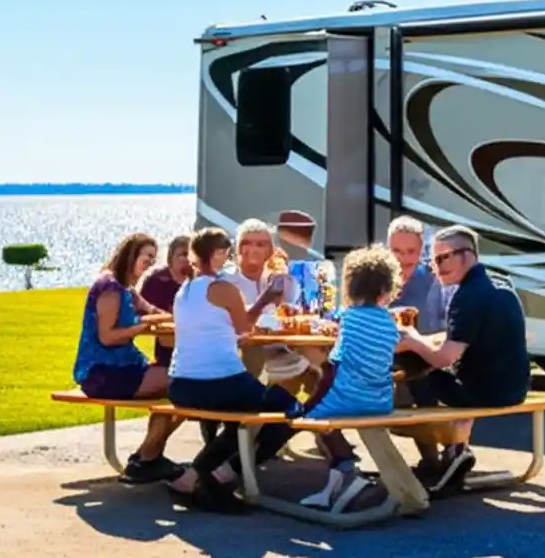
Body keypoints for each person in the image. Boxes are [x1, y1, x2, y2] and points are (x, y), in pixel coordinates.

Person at [165, 227, 300, 513]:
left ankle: (194, 477)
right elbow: (246, 327)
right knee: (291, 409)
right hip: (218, 381)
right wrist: (267, 298)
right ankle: (220, 474)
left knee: (243, 417)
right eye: (226, 253)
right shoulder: (224, 288)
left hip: (180, 384)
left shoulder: (185, 290)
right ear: (216, 254)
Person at [396, 225, 532, 497]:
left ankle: (448, 450)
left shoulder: (467, 297)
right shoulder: (499, 283)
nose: (437, 267)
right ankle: (452, 450)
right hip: (516, 386)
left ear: (468, 255)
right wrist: (429, 341)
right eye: (433, 260)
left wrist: (411, 341)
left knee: (414, 368)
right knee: (424, 359)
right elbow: (469, 336)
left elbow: (446, 358)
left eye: (443, 257)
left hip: (484, 392)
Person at [294, 244, 403, 511]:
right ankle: (333, 486)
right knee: (325, 411)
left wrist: (308, 403)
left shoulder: (348, 318)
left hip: (350, 399)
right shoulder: (390, 322)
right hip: (381, 401)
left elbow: (333, 365)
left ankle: (347, 470)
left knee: (310, 417)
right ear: (385, 288)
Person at [71, 232, 184, 483]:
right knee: (186, 384)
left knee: (184, 382)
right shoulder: (110, 287)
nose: (150, 264)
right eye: (147, 257)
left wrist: (179, 317)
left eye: (154, 258)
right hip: (103, 372)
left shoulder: (126, 288)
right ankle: (147, 459)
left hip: (127, 366)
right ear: (131, 255)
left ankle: (148, 456)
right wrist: (140, 327)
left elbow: (153, 311)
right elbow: (107, 337)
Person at [221, 219, 310, 388]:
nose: (253, 250)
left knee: (321, 364)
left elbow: (293, 317)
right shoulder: (224, 281)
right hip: (240, 353)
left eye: (260, 244)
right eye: (246, 243)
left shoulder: (283, 280)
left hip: (283, 352)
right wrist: (266, 299)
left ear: (270, 250)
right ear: (236, 248)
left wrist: (284, 304)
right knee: (254, 353)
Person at [138, 234, 193, 366]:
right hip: (168, 352)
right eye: (183, 254)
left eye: (191, 254)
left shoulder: (202, 281)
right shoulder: (156, 281)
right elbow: (140, 311)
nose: (187, 259)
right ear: (170, 258)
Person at [386, 216, 446, 334]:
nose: (404, 258)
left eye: (411, 251)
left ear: (420, 250)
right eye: (397, 251)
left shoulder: (436, 281)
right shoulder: (371, 282)